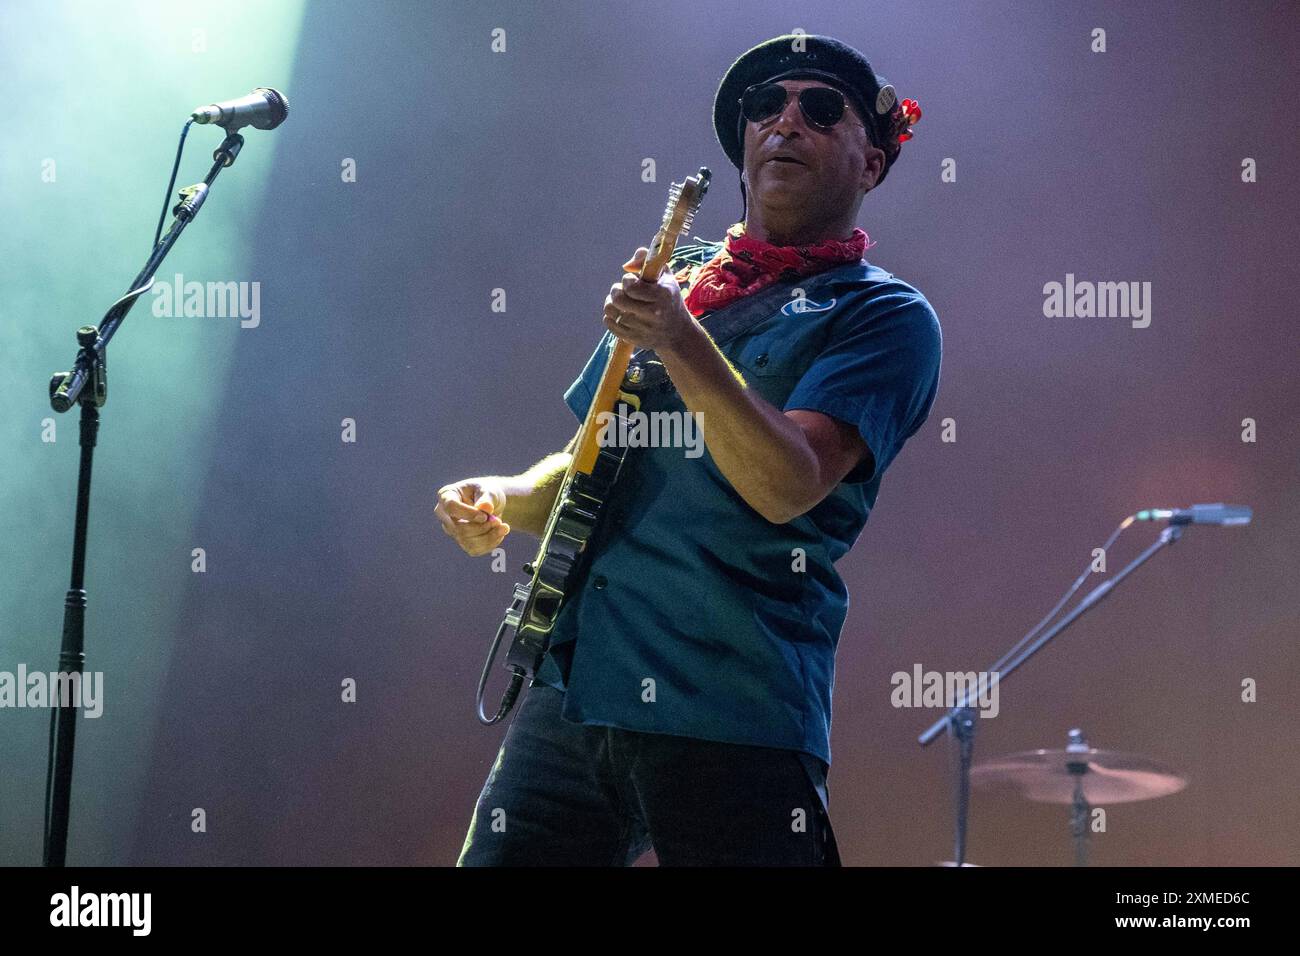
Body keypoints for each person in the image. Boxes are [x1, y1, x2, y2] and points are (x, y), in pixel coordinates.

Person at [438, 34, 942, 866]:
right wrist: (497, 494)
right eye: (763, 108)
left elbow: (789, 482)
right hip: (576, 694)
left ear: (873, 164)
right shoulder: (684, 281)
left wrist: (678, 338)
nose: (785, 123)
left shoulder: (884, 316)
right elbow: (588, 464)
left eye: (820, 110)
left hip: (731, 703)